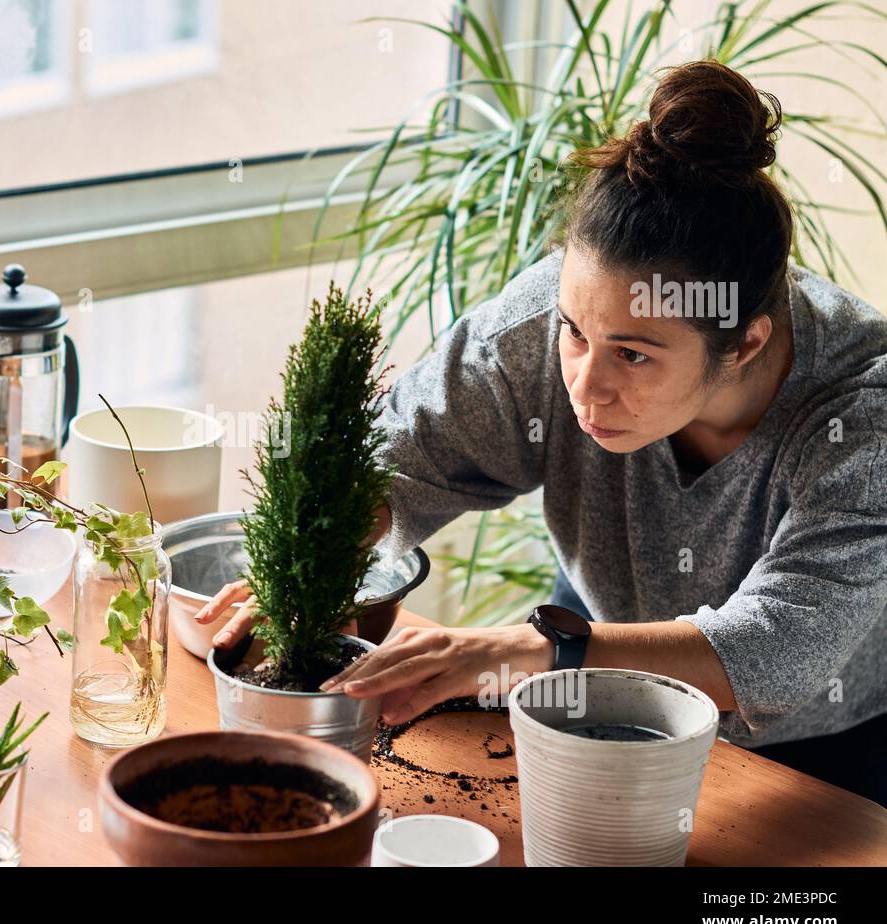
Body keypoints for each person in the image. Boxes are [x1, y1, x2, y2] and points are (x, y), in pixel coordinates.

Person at [196, 60, 887, 807]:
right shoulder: (543, 323)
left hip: (818, 757)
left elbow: (781, 648)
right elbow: (402, 456)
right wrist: (307, 574)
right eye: (574, 332)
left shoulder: (864, 410)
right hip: (586, 673)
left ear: (745, 343)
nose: (583, 384)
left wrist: (530, 649)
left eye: (632, 353)